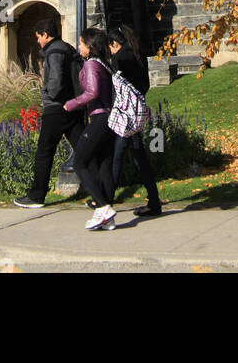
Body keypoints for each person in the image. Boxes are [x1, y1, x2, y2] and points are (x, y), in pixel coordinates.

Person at [13, 17, 83, 208]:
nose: (38, 41)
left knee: (44, 152)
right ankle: (100, 189)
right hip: (73, 107)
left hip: (57, 109)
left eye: (39, 37)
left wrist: (47, 95)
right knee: (84, 148)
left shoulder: (54, 51)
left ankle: (36, 196)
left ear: (45, 34)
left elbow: (56, 81)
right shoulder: (66, 48)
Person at [63, 27, 117, 230]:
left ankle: (102, 207)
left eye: (81, 43)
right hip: (109, 119)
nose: (78, 47)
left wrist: (72, 104)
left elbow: (92, 92)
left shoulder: (91, 65)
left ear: (89, 46)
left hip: (99, 118)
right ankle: (107, 215)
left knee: (80, 162)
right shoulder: (105, 65)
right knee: (104, 165)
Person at [108, 24, 162, 218]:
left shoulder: (119, 59)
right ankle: (153, 200)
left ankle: (106, 200)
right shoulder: (137, 55)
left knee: (120, 155)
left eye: (110, 46)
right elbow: (144, 84)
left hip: (125, 114)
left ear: (114, 43)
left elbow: (116, 86)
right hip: (137, 112)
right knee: (135, 155)